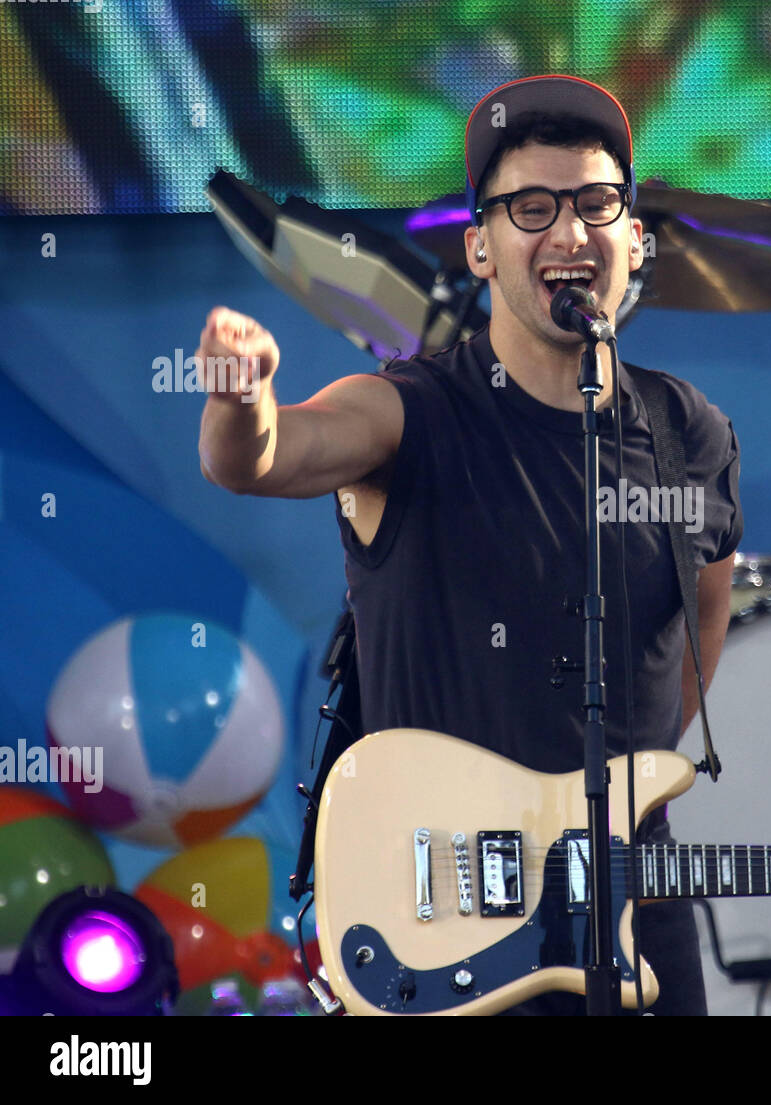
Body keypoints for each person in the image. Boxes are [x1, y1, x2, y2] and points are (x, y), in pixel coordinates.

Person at [196, 75, 743, 1015]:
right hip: (442, 926)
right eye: (531, 208)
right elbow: (261, 457)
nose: (569, 234)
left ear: (636, 239)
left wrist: (607, 791)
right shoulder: (410, 411)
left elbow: (701, 618)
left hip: (632, 910)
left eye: (597, 204)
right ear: (480, 247)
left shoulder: (687, 429)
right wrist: (240, 397)